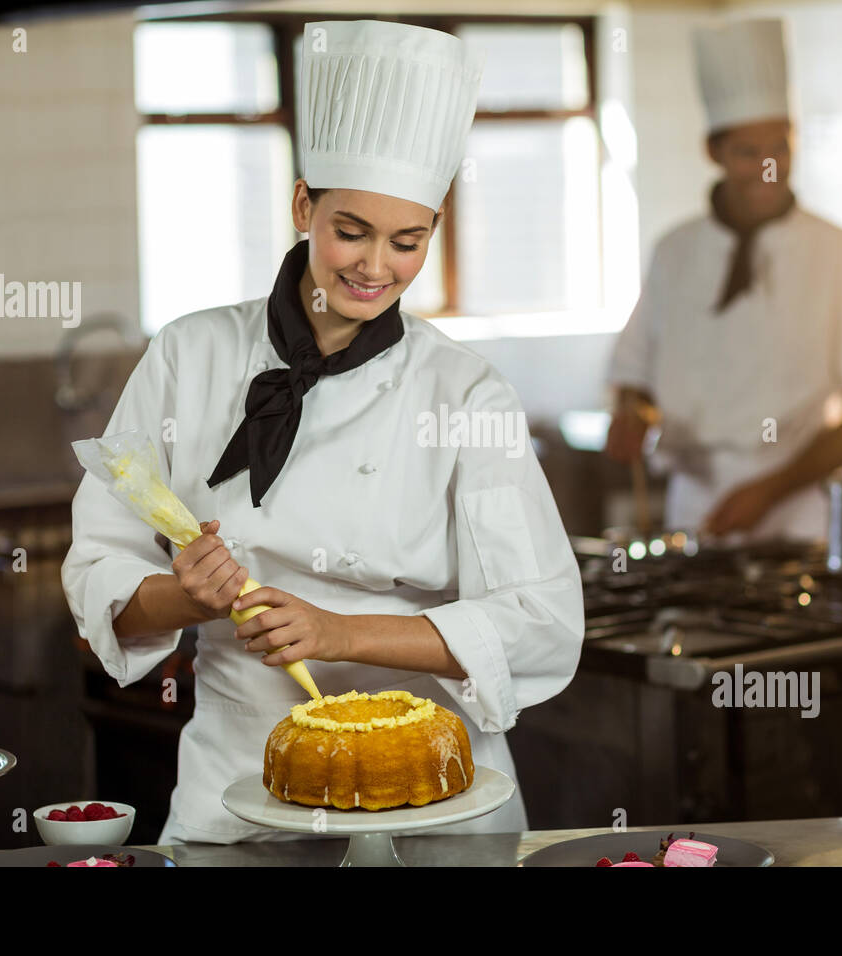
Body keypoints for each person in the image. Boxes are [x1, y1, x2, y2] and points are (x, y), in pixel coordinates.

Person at [61, 19, 584, 844]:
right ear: (304, 204)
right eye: (351, 231)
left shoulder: (465, 391)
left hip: (432, 795)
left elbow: (544, 622)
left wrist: (339, 632)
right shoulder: (189, 355)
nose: (376, 267)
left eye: (407, 241)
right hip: (239, 785)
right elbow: (101, 585)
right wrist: (183, 595)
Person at [605, 18, 842, 543]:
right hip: (692, 509)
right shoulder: (674, 251)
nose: (768, 169)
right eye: (748, 152)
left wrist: (769, 490)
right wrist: (632, 414)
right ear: (712, 152)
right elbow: (636, 375)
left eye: (780, 148)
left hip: (798, 513)